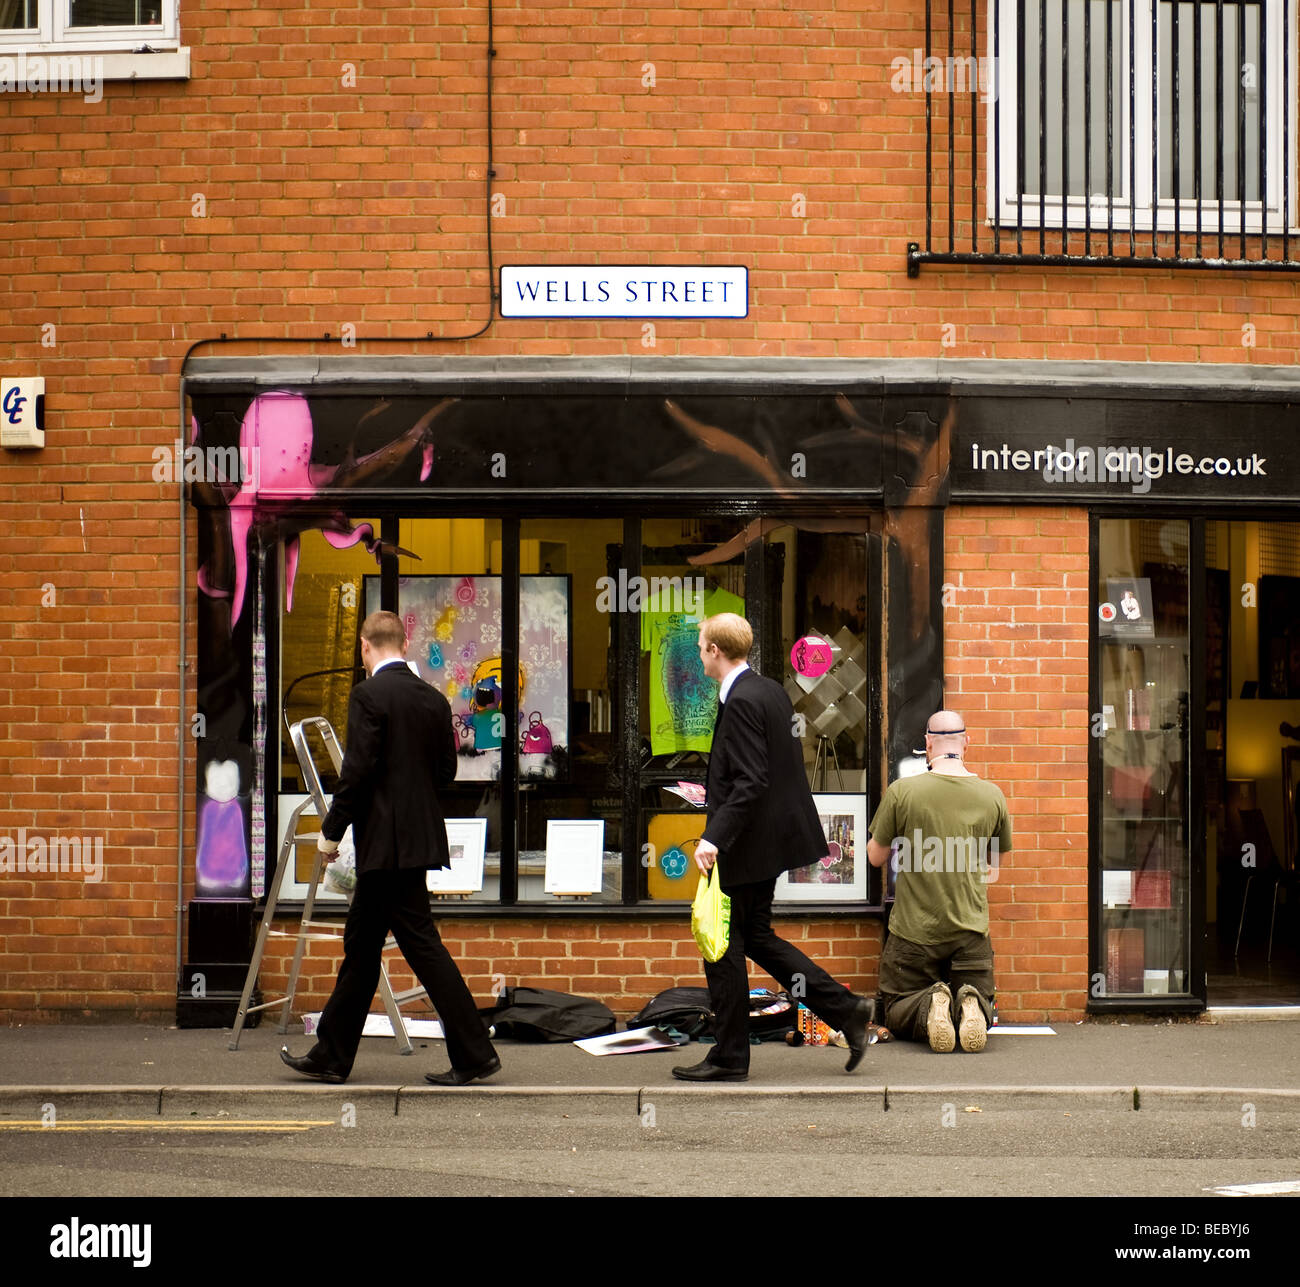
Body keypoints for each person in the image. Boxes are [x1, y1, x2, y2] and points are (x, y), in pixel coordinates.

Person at [280, 610, 500, 1086]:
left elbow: (356, 773)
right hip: (415, 842)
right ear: (404, 644)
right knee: (363, 947)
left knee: (418, 947)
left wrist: (330, 833)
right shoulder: (433, 700)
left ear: (364, 646)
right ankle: (332, 1054)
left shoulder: (368, 695)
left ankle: (474, 1053)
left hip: (384, 846)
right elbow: (446, 773)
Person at [672, 612, 875, 1082]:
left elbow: (752, 779)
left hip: (745, 845)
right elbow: (761, 772)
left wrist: (714, 837)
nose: (700, 655)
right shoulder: (767, 690)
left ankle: (729, 1056)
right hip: (765, 842)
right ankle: (846, 1011)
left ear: (715, 651)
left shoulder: (743, 699)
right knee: (757, 937)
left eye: (701, 647)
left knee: (722, 944)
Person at [865, 711, 1012, 1053]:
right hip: (971, 933)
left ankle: (930, 1003)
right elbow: (995, 865)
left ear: (928, 743)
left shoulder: (902, 792)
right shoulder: (992, 795)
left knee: (896, 1007)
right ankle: (971, 1002)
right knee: (983, 1002)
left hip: (913, 934)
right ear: (966, 743)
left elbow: (875, 857)